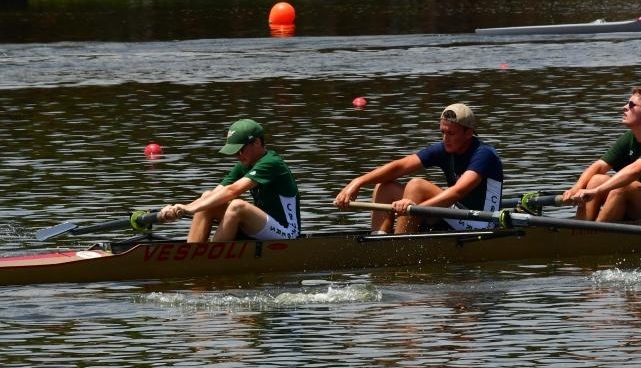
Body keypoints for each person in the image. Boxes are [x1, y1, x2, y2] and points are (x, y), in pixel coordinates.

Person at [333, 103, 503, 234]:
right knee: (384, 186)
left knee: (416, 186)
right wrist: (358, 182)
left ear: (468, 133)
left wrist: (414, 209)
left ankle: (399, 248)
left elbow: (457, 192)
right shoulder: (445, 149)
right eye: (442, 132)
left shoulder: (484, 154)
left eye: (451, 133)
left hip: (481, 223)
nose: (445, 138)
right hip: (454, 215)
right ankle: (380, 241)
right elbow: (399, 167)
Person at [158, 118, 301, 243]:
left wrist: (189, 209)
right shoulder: (245, 164)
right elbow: (216, 193)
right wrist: (179, 208)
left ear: (256, 142)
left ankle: (211, 260)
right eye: (234, 152)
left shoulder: (272, 162)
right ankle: (191, 254)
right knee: (208, 198)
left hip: (287, 233)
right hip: (263, 227)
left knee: (237, 206)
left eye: (240, 150)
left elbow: (233, 190)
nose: (236, 156)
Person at [562, 86, 641, 222]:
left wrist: (597, 191)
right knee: (595, 180)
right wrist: (576, 189)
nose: (624, 107)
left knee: (623, 187)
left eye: (631, 105)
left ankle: (596, 239)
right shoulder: (629, 138)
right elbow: (599, 166)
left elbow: (635, 170)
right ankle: (579, 235)